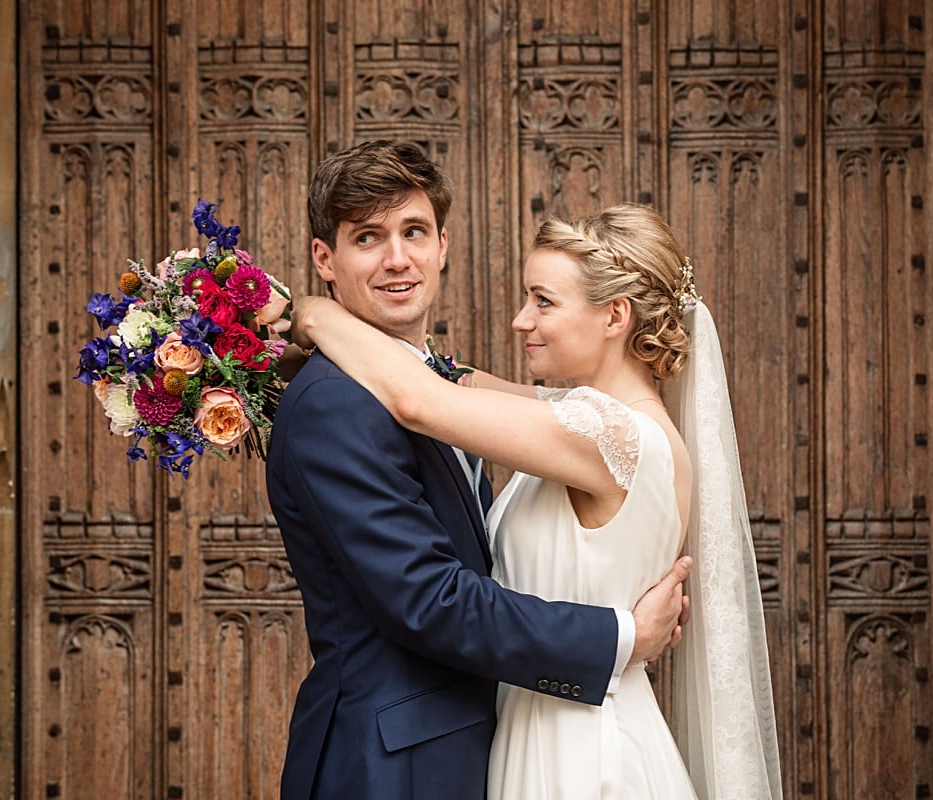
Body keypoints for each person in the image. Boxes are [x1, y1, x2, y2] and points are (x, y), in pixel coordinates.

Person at [290, 202, 783, 798]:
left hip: (578, 752)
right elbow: (452, 379)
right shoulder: (581, 419)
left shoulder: (610, 436)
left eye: (543, 301)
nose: (522, 321)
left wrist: (314, 314)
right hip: (541, 725)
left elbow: (422, 399)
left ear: (615, 316)